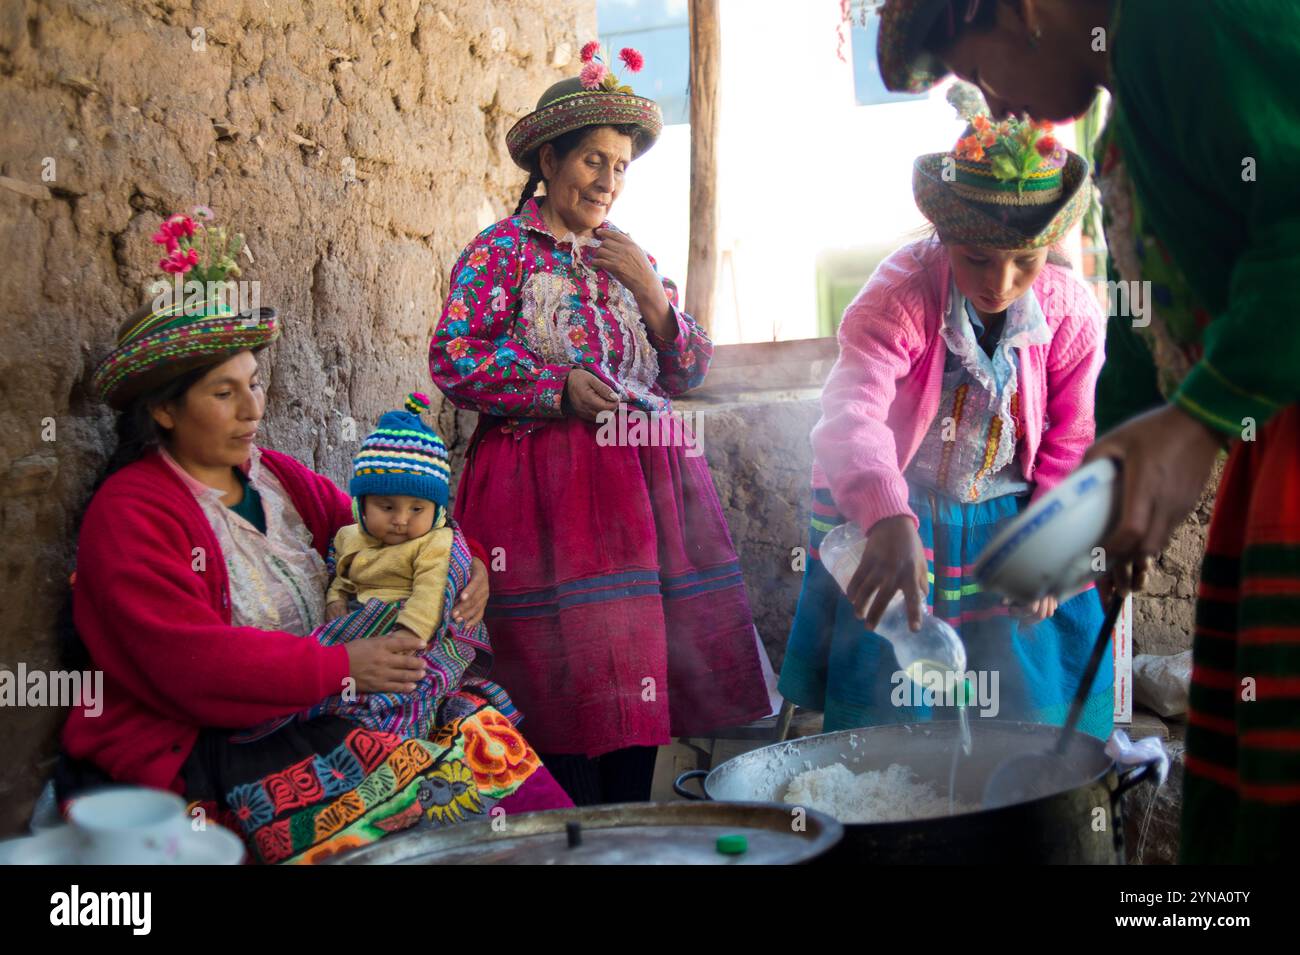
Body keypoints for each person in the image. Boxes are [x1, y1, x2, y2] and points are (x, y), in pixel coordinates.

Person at [877, 0, 1300, 862]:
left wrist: (1194, 426)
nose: (994, 98)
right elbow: (1159, 329)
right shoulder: (1123, 118)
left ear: (1022, 9)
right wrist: (1101, 507)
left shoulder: (1184, 24)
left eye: (979, 68)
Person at [59, 213, 571, 864]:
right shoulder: (132, 511)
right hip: (235, 738)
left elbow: (386, 530)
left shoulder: (276, 479)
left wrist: (460, 562)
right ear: (163, 409)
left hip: (336, 703)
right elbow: (188, 665)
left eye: (254, 383)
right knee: (416, 819)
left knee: (496, 761)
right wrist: (340, 667)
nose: (253, 409)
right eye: (225, 392)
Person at [428, 45, 770, 804]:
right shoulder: (500, 253)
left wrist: (654, 297)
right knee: (558, 681)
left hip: (645, 499)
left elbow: (688, 371)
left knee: (641, 676)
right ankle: (572, 834)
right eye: (592, 160)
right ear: (547, 161)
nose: (608, 181)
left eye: (620, 166)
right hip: (540, 499)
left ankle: (627, 831)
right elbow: (452, 357)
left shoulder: (633, 256)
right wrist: (556, 388)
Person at [778, 105, 1113, 739]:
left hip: (1011, 520)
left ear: (1050, 248)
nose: (1002, 282)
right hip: (910, 520)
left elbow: (1071, 440)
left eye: (1024, 260)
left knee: (1029, 710)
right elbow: (852, 414)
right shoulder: (900, 294)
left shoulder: (1070, 311)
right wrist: (886, 517)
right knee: (897, 706)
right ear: (943, 236)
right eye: (978, 259)